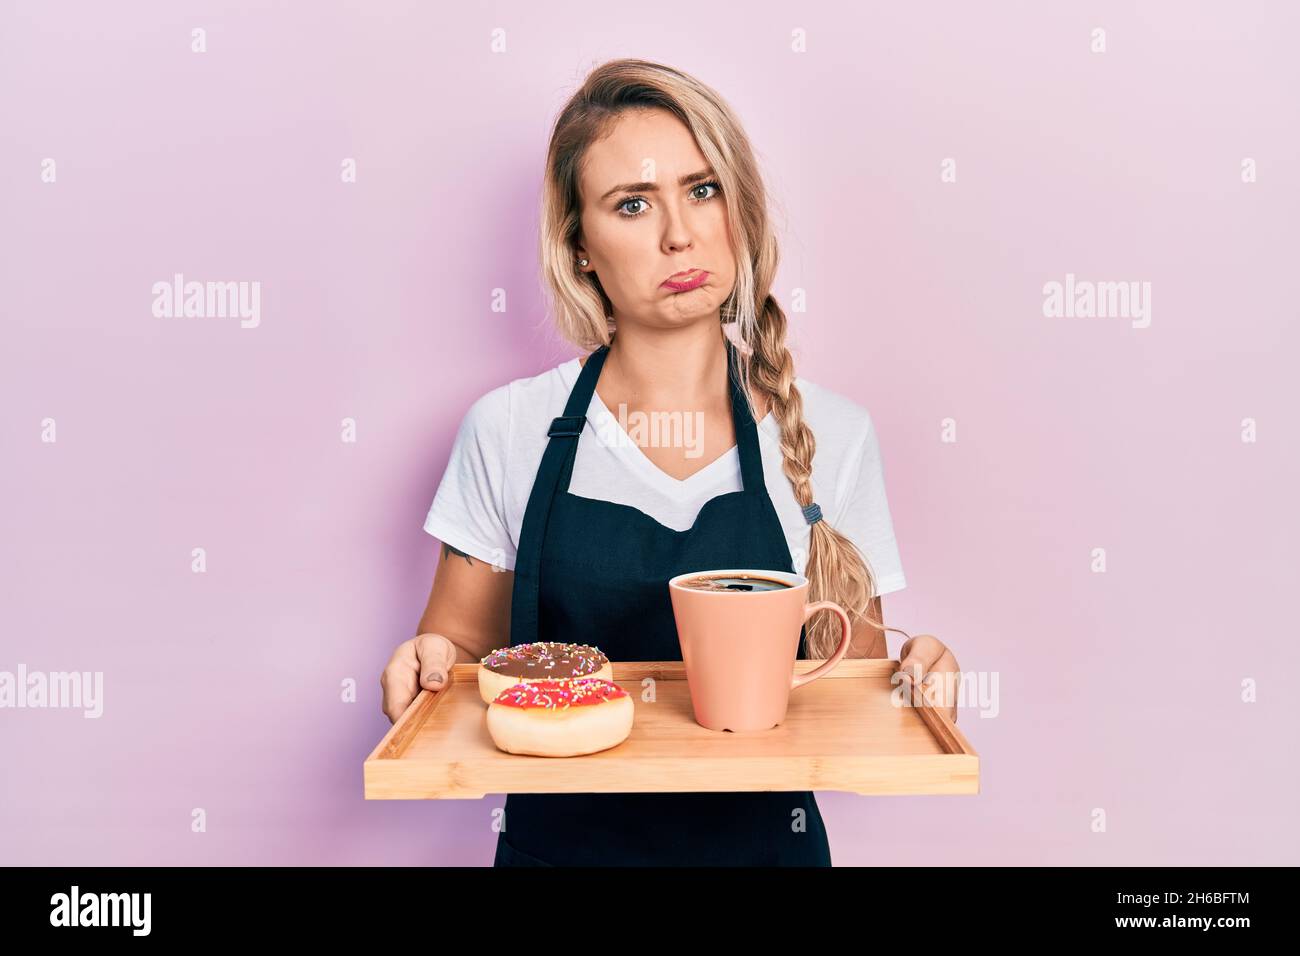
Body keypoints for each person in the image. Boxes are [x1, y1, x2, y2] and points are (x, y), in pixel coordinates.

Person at [380, 58, 961, 866]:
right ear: (579, 247)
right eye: (631, 205)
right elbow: (456, 667)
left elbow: (848, 692)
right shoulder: (509, 428)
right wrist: (428, 664)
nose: (679, 235)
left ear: (739, 207)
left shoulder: (836, 433)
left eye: (702, 189)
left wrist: (912, 682)